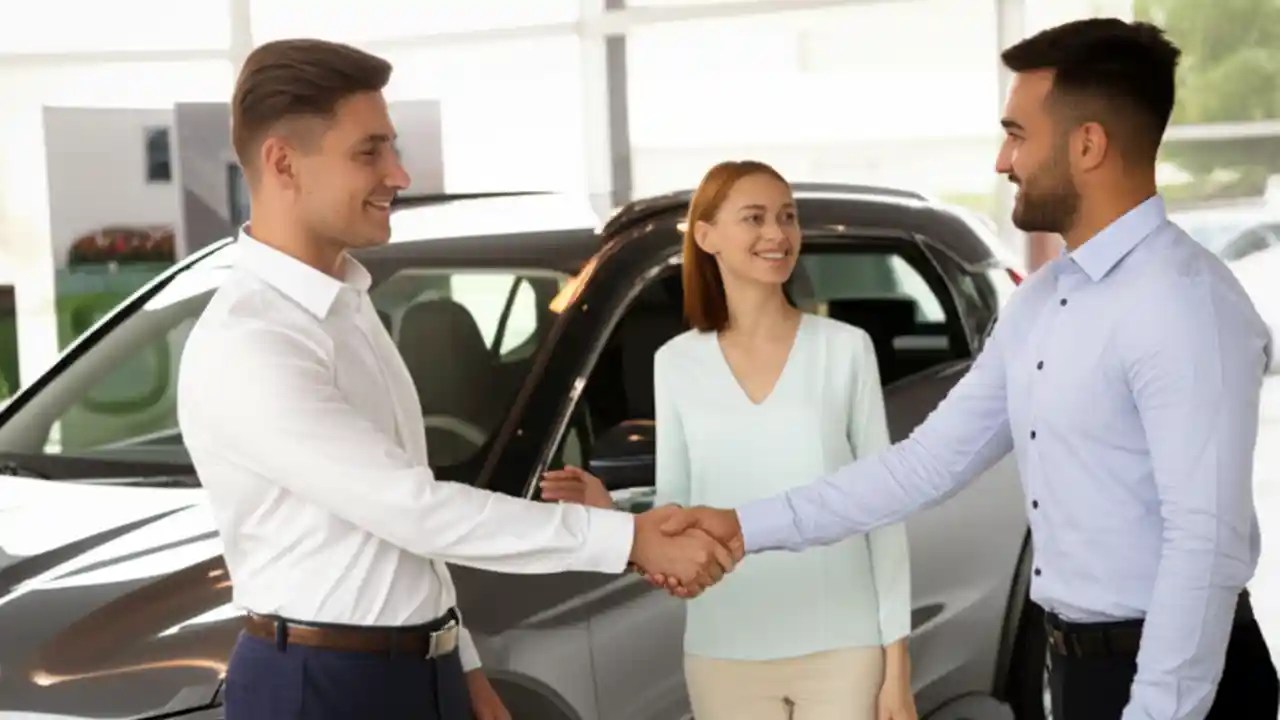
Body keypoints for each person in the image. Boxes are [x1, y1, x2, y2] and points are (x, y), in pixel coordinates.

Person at [649, 18, 1279, 720]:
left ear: (1088, 144)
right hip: (1075, 670)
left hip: (1180, 683)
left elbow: (1207, 545)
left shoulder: (1185, 302)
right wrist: (744, 524)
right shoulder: (1041, 303)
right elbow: (924, 464)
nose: (1002, 161)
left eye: (1017, 134)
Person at [176, 38, 734, 720]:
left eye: (392, 148)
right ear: (283, 163)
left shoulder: (346, 304)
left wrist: (458, 659)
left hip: (412, 670)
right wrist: (632, 540)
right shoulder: (254, 339)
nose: (399, 173)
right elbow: (413, 506)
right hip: (324, 690)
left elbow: (396, 531)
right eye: (369, 151)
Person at [540, 160, 915, 720]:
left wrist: (897, 672)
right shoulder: (676, 363)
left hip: (844, 645)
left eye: (788, 218)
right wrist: (610, 517)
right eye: (755, 218)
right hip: (725, 651)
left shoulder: (845, 349)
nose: (777, 234)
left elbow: (881, 512)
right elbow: (678, 521)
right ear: (706, 235)